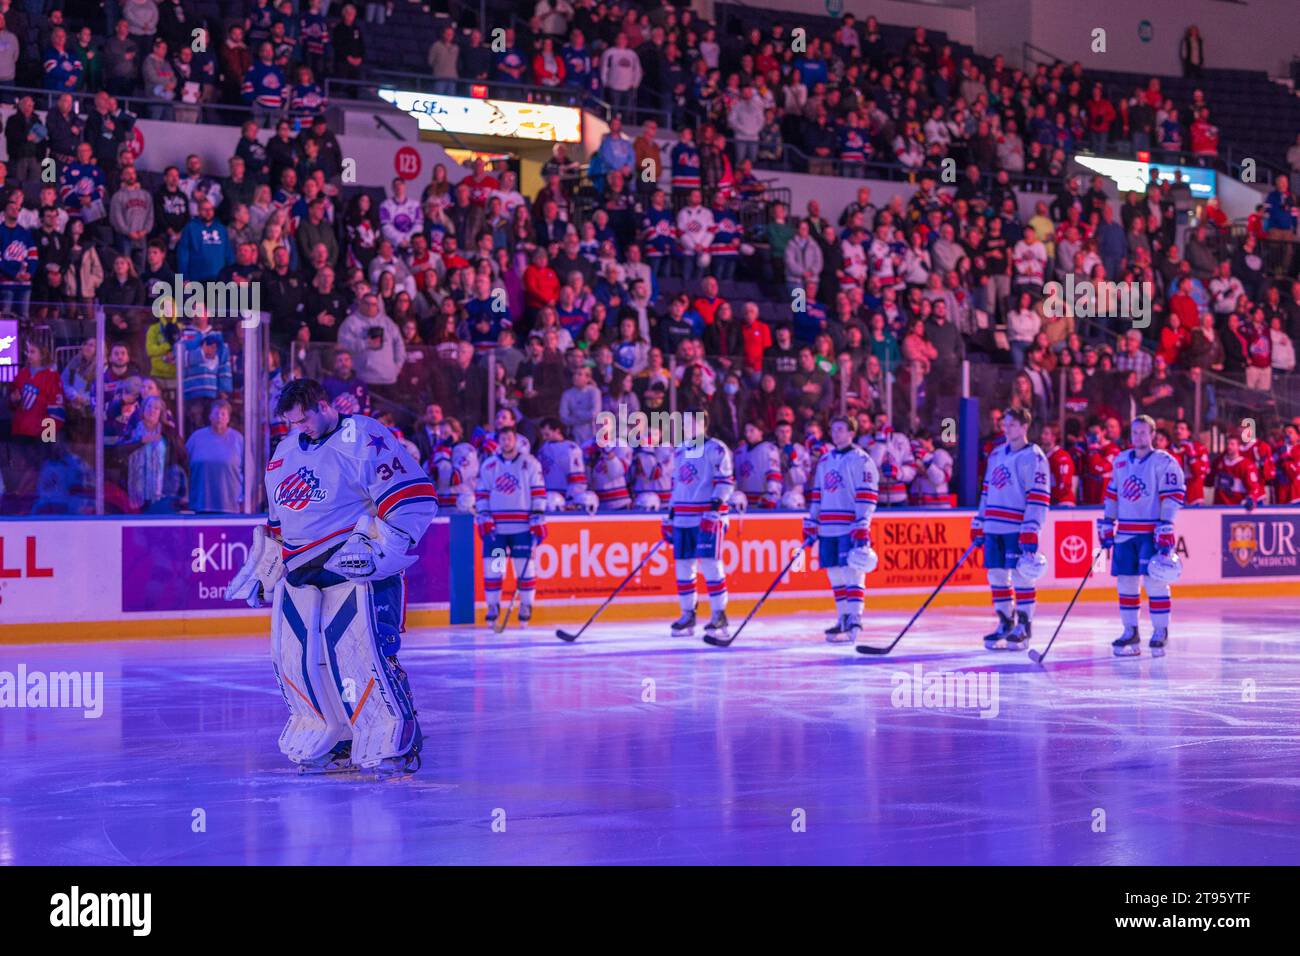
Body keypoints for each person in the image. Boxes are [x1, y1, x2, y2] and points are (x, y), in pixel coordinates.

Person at [226, 378, 436, 775]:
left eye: (304, 418)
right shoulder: (285, 451)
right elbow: (278, 524)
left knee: (365, 656)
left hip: (354, 572)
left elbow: (412, 498)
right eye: (292, 422)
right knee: (303, 663)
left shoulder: (364, 437)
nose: (299, 427)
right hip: (302, 576)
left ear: (324, 406)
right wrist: (264, 568)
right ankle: (333, 735)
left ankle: (392, 738)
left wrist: (384, 546)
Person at [1099, 415, 1186, 657]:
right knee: (1125, 582)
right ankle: (1130, 630)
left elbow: (1174, 493)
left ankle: (1160, 631)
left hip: (1150, 532)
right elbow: (1112, 494)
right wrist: (1108, 521)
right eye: (1135, 432)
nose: (1138, 437)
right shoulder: (1121, 461)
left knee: (1154, 581)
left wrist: (1166, 523)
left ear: (1153, 435)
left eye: (1143, 432)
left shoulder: (1163, 461)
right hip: (1125, 533)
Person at [970, 406, 1051, 650]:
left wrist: (1032, 527)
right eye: (1005, 424)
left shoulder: (1034, 457)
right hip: (994, 526)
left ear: (1025, 427)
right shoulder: (996, 454)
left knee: (1020, 575)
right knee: (995, 574)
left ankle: (1024, 625)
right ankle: (1005, 621)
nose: (1007, 428)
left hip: (1017, 526)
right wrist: (980, 520)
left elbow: (1039, 496)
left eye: (1012, 425)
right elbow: (986, 490)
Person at [806, 415, 879, 643]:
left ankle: (855, 619)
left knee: (852, 571)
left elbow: (866, 495)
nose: (835, 433)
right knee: (835, 573)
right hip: (827, 526)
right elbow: (818, 493)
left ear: (851, 433)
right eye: (833, 429)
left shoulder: (861, 460)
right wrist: (812, 520)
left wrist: (862, 523)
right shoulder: (825, 460)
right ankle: (842, 618)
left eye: (840, 429)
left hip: (849, 526)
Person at [664, 410, 735, 639]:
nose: (686, 426)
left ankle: (719, 613)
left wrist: (714, 510)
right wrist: (670, 515)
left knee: (710, 564)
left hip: (706, 517)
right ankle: (687, 613)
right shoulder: (681, 450)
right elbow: (677, 485)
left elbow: (725, 482)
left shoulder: (716, 448)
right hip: (683, 517)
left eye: (690, 422)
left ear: (703, 424)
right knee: (683, 565)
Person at [475, 425, 546, 625]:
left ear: (516, 440)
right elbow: (482, 494)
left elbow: (538, 491)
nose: (506, 442)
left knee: (525, 567)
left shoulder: (529, 463)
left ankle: (525, 605)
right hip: (497, 530)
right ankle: (493, 605)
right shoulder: (489, 465)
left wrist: (538, 517)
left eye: (510, 438)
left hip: (522, 528)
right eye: (503, 438)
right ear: (499, 441)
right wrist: (485, 518)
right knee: (494, 568)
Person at [186, 398, 244, 513]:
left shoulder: (238, 439)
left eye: (223, 414)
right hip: (201, 503)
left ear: (228, 418)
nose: (219, 417)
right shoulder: (196, 438)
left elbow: (249, 472)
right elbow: (184, 466)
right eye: (216, 413)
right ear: (210, 416)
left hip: (230, 504)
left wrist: (245, 499)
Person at [733, 422, 781, 510]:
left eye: (751, 431)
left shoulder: (769, 449)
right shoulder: (739, 452)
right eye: (746, 431)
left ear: (760, 431)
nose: (748, 434)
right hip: (742, 501)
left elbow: (774, 476)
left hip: (762, 501)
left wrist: (772, 497)